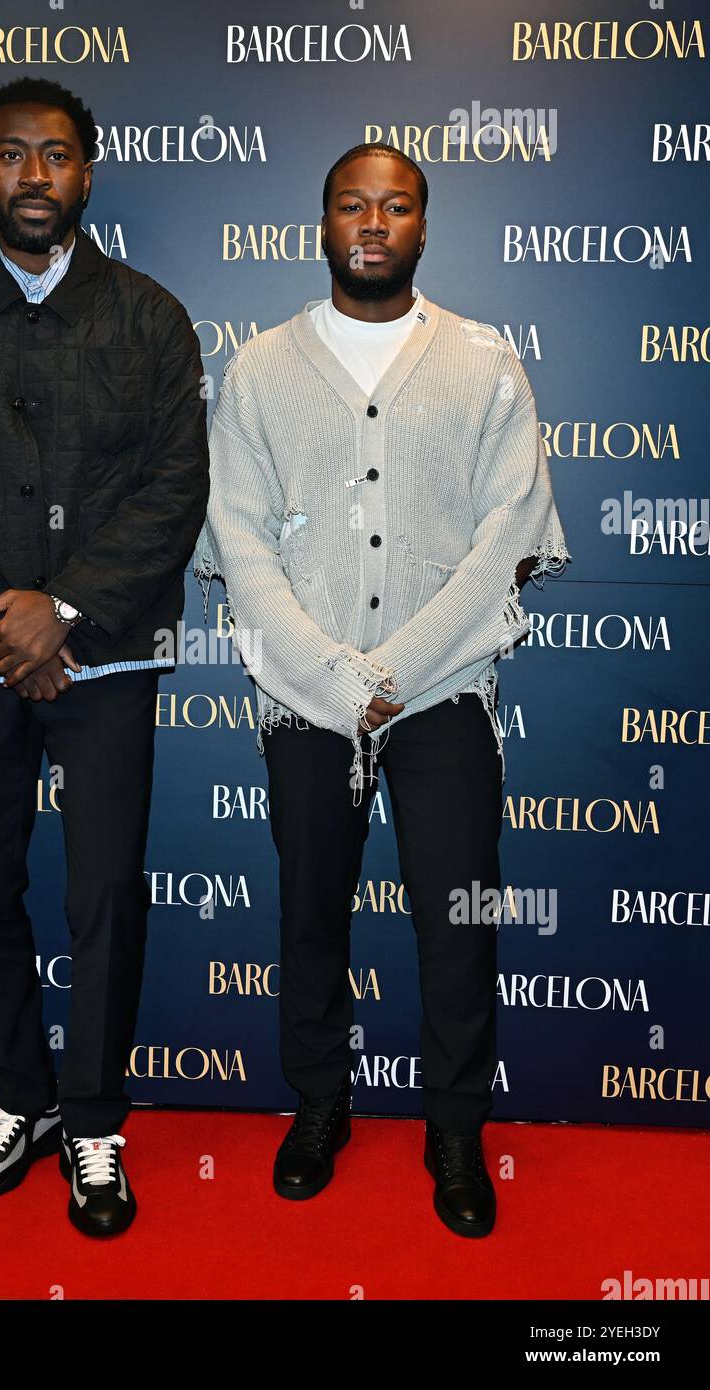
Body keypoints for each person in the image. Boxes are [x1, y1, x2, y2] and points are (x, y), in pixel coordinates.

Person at [194, 142, 570, 1238]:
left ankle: (454, 1126)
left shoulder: (483, 361)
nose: (372, 222)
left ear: (421, 225)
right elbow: (240, 539)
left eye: (394, 206)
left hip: (444, 695)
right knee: (309, 916)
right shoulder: (261, 370)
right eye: (351, 205)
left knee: (460, 923)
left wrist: (396, 673)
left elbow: (509, 529)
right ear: (319, 223)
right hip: (305, 704)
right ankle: (318, 1104)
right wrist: (328, 676)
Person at [0, 76, 209, 1237]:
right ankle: (22, 1098)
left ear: (86, 173)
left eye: (55, 155)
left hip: (104, 660)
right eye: (11, 155)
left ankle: (96, 1118)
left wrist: (60, 611)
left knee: (104, 892)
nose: (34, 175)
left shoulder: (150, 318)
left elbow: (173, 490)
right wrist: (1, 626)